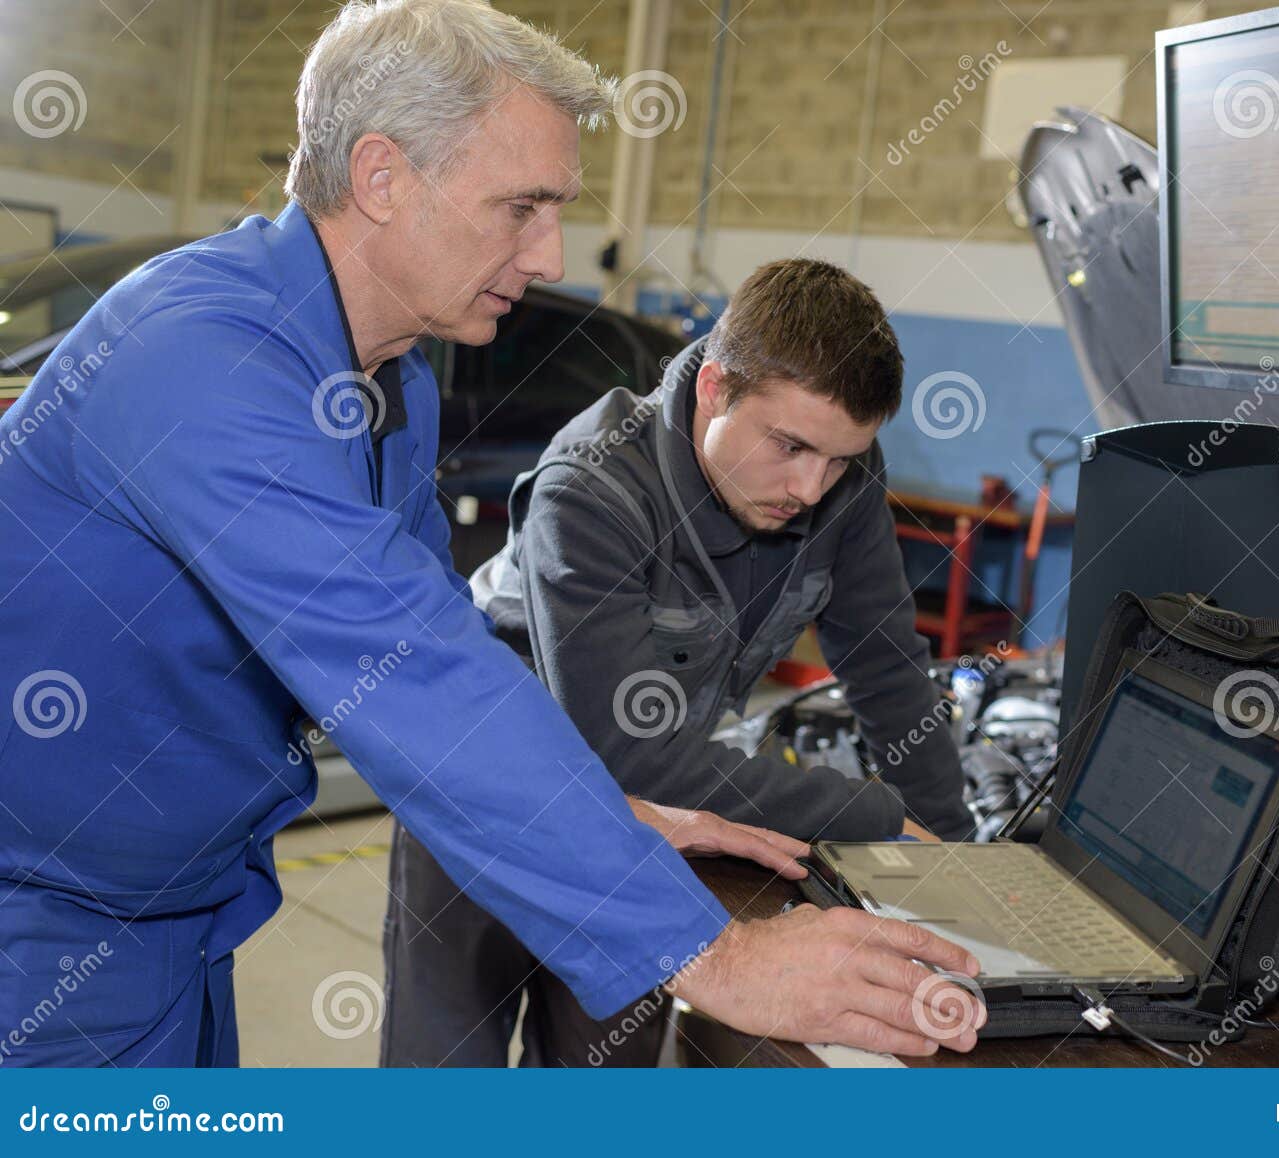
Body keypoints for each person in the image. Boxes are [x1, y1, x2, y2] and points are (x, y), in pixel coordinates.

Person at [0, 0, 984, 1067]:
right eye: (522, 207)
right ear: (381, 178)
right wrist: (714, 952)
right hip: (45, 933)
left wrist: (616, 820)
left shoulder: (389, 385)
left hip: (180, 921)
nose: (552, 252)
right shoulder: (202, 361)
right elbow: (413, 679)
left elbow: (453, 650)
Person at [386, 258, 975, 1065]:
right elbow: (628, 752)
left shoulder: (842, 481)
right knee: (446, 1090)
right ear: (713, 389)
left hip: (645, 833)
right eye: (792, 445)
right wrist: (876, 818)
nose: (811, 486)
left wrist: (956, 862)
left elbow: (885, 667)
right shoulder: (591, 489)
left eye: (839, 459)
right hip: (485, 807)